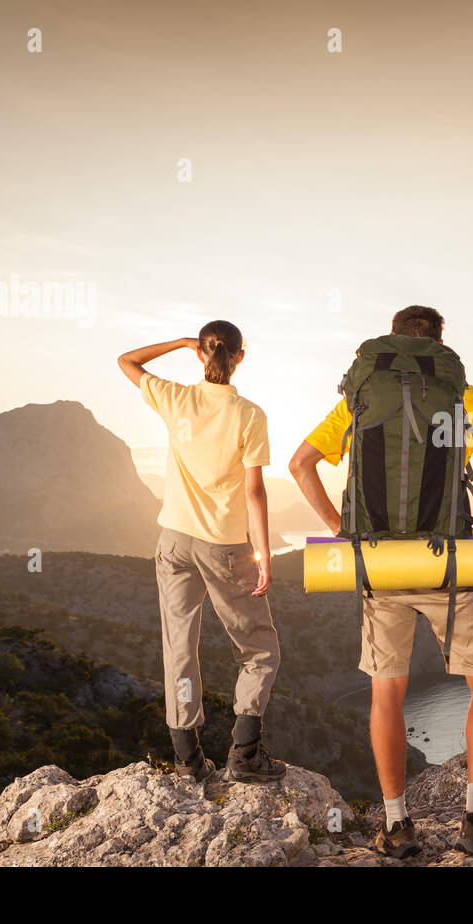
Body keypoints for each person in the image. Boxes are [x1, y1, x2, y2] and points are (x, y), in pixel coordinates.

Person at [288, 305, 473, 857]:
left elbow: (301, 464)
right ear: (439, 344)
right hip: (452, 566)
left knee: (386, 696)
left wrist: (339, 528)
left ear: (392, 341)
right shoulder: (457, 393)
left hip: (381, 566)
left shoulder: (361, 394)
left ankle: (397, 827)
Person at [117, 321, 285, 784]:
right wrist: (264, 554)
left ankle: (188, 759)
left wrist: (179, 343)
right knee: (258, 648)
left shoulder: (175, 398)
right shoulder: (249, 414)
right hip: (224, 547)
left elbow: (126, 361)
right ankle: (245, 754)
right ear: (240, 357)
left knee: (179, 646)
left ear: (201, 354)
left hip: (172, 540)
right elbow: (255, 492)